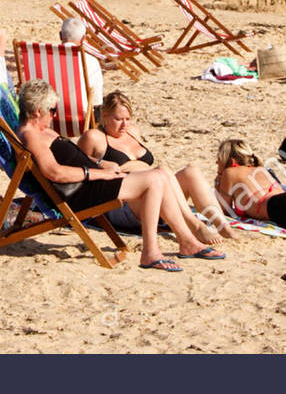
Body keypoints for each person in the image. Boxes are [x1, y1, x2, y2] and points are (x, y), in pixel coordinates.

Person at [18, 81, 220, 271]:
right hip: (84, 191)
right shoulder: (32, 136)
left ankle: (187, 241)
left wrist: (99, 163)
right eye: (52, 110)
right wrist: (96, 173)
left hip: (92, 180)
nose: (54, 116)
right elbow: (54, 172)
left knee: (161, 174)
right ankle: (151, 252)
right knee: (155, 179)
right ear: (37, 111)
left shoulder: (43, 131)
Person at [77, 89, 236, 243]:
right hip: (123, 202)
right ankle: (194, 224)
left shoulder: (133, 132)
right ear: (104, 115)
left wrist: (138, 166)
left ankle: (223, 226)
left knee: (190, 172)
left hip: (154, 191)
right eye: (118, 119)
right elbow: (77, 167)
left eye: (128, 118)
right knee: (162, 171)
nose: (124, 124)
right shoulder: (94, 137)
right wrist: (102, 163)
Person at [59, 18, 104, 116]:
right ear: (84, 39)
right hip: (82, 120)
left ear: (60, 36)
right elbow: (97, 101)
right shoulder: (92, 61)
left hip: (48, 121)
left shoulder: (44, 57)